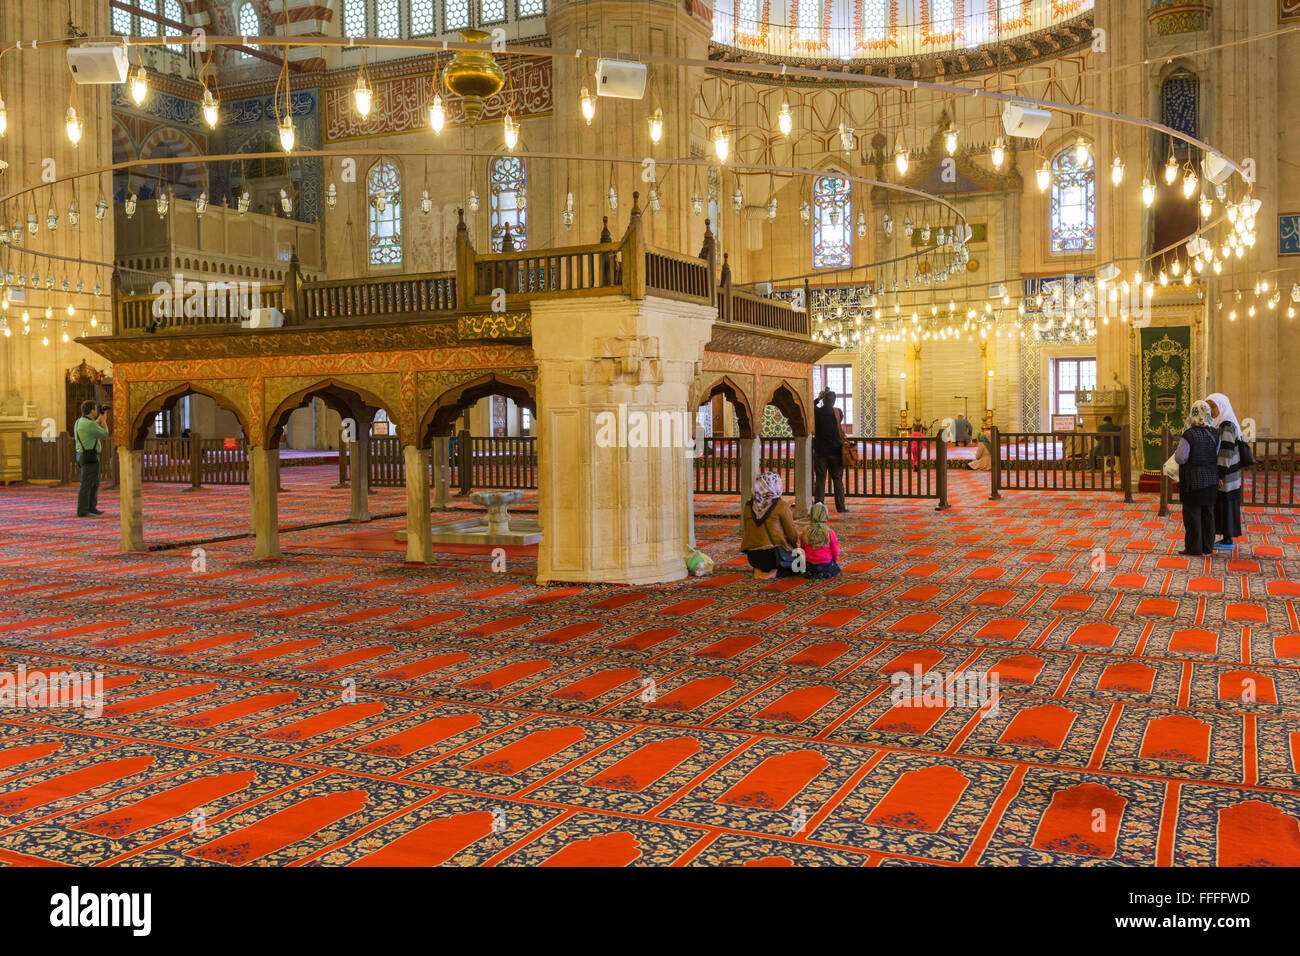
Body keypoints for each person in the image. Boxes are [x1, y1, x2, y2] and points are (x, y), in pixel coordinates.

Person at [1173, 400, 1219, 556]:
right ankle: (1207, 547)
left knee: (1193, 515)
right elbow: (1215, 453)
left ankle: (1194, 548)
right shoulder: (1214, 433)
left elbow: (1180, 458)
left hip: (1193, 481)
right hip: (1211, 479)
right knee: (1208, 515)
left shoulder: (1189, 434)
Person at [740, 470, 799, 580]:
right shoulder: (781, 505)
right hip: (774, 556)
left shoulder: (748, 506)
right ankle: (776, 573)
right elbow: (792, 534)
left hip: (752, 557)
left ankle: (758, 570)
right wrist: (794, 548)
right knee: (800, 565)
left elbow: (747, 529)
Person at [1206, 392, 1244, 548]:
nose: (1211, 410)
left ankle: (1228, 540)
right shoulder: (1220, 423)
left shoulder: (1227, 425)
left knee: (1227, 505)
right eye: (1209, 407)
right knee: (1224, 505)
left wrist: (1219, 474)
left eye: (1214, 406)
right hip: (1227, 474)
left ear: (1222, 407)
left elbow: (1226, 453)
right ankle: (1226, 539)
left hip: (1227, 475)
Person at [812, 388, 847, 513]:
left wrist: (818, 398)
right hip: (835, 451)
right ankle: (841, 507)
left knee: (820, 481)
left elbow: (809, 406)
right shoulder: (838, 412)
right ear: (834, 401)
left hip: (820, 452)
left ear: (824, 400)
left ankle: (818, 509)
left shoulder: (817, 412)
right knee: (837, 480)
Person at [74, 400, 110, 518]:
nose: (96, 410)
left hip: (82, 455)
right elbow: (105, 434)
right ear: (92, 411)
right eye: (96, 409)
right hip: (90, 457)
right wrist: (104, 421)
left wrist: (101, 417)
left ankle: (91, 508)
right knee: (87, 484)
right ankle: (83, 511)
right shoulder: (89, 424)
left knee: (93, 483)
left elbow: (94, 425)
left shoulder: (79, 421)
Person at [799, 501, 841, 579]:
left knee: (810, 569)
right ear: (825, 515)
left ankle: (811, 573)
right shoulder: (829, 531)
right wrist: (834, 561)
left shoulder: (805, 531)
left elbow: (802, 549)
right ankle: (825, 574)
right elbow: (835, 551)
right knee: (836, 569)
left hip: (809, 564)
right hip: (824, 564)